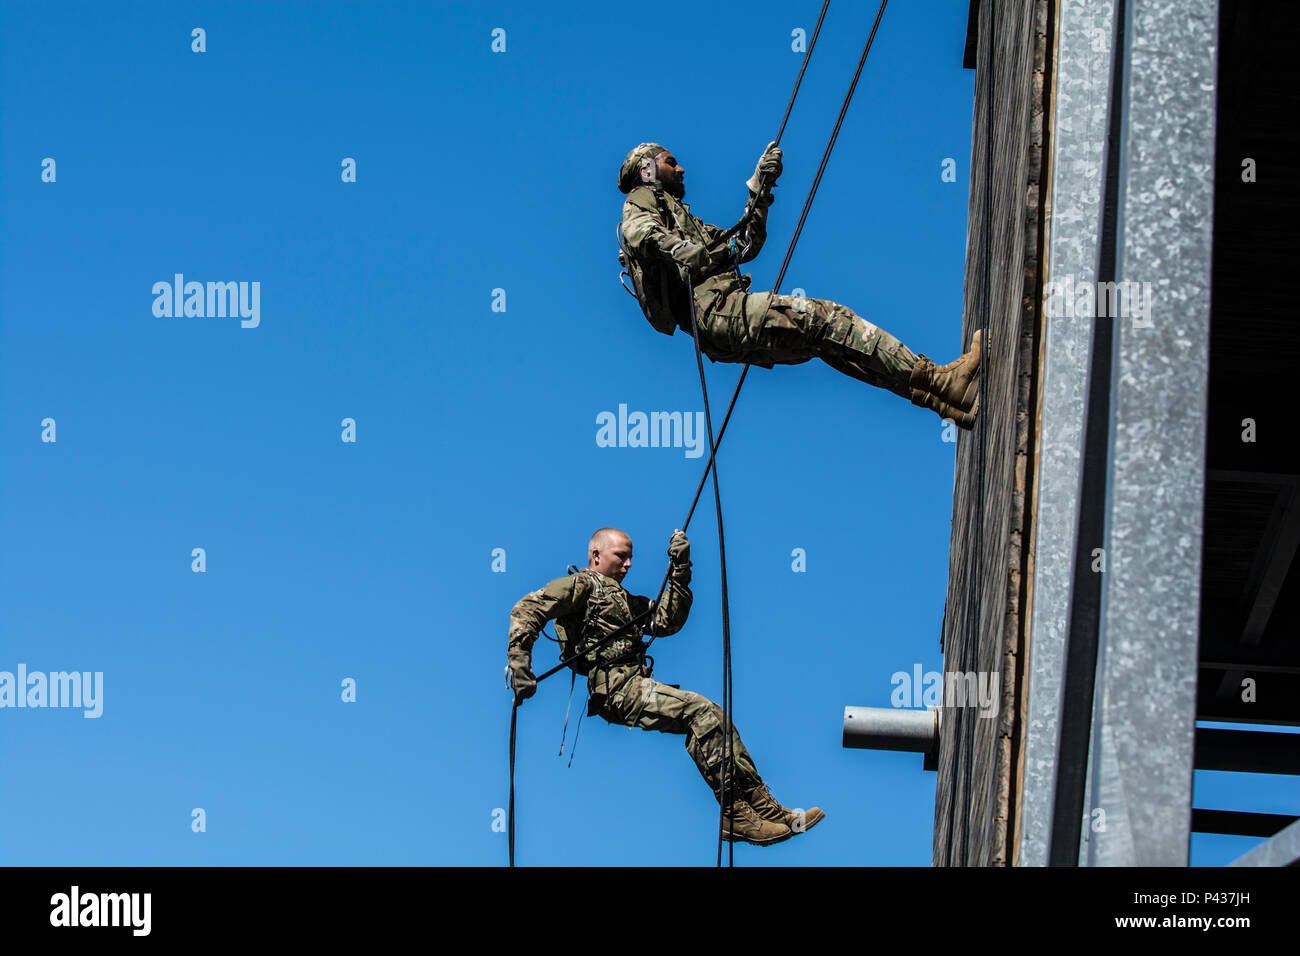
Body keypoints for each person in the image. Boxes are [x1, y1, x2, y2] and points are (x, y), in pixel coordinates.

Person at [617, 141, 982, 427]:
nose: (680, 168)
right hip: (719, 312)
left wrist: (761, 188)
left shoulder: (684, 218)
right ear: (647, 169)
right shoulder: (643, 199)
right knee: (828, 320)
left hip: (720, 327)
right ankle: (937, 380)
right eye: (669, 161)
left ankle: (944, 399)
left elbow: (744, 244)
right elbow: (639, 232)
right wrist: (684, 250)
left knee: (828, 343)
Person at [507, 527, 824, 846]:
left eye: (631, 558)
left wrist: (681, 569)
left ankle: (764, 809)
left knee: (715, 716)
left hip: (633, 682)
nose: (629, 564)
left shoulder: (627, 601)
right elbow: (529, 608)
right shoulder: (580, 585)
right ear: (596, 555)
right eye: (621, 556)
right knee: (701, 711)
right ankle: (736, 815)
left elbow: (667, 621)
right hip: (616, 687)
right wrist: (520, 660)